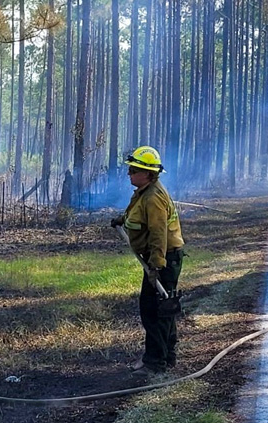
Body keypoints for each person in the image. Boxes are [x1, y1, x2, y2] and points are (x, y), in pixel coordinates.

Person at [111, 146, 185, 376]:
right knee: (164, 306)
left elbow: (158, 233)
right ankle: (166, 356)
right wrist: (122, 219)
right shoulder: (144, 192)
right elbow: (136, 212)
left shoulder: (153, 198)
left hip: (162, 259)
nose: (129, 173)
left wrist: (156, 264)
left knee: (154, 310)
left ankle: (155, 363)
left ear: (148, 173)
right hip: (160, 259)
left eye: (134, 170)